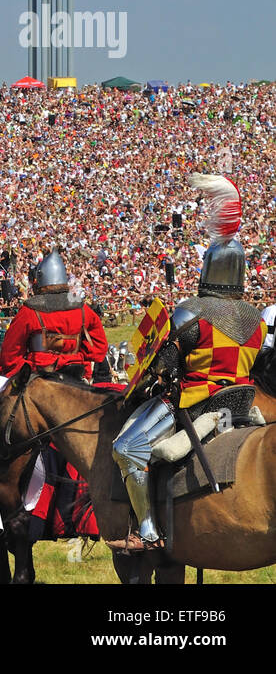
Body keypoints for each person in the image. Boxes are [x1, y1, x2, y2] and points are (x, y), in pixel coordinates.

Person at [110, 175, 269, 551]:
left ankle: (147, 532)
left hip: (197, 401)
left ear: (208, 269)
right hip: (243, 402)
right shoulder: (257, 319)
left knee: (126, 448)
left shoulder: (191, 312)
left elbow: (163, 364)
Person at [0, 248, 108, 381]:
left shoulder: (30, 311)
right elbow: (99, 347)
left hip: (40, 377)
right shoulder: (82, 308)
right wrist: (77, 356)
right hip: (77, 374)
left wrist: (24, 369)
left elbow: (10, 355)